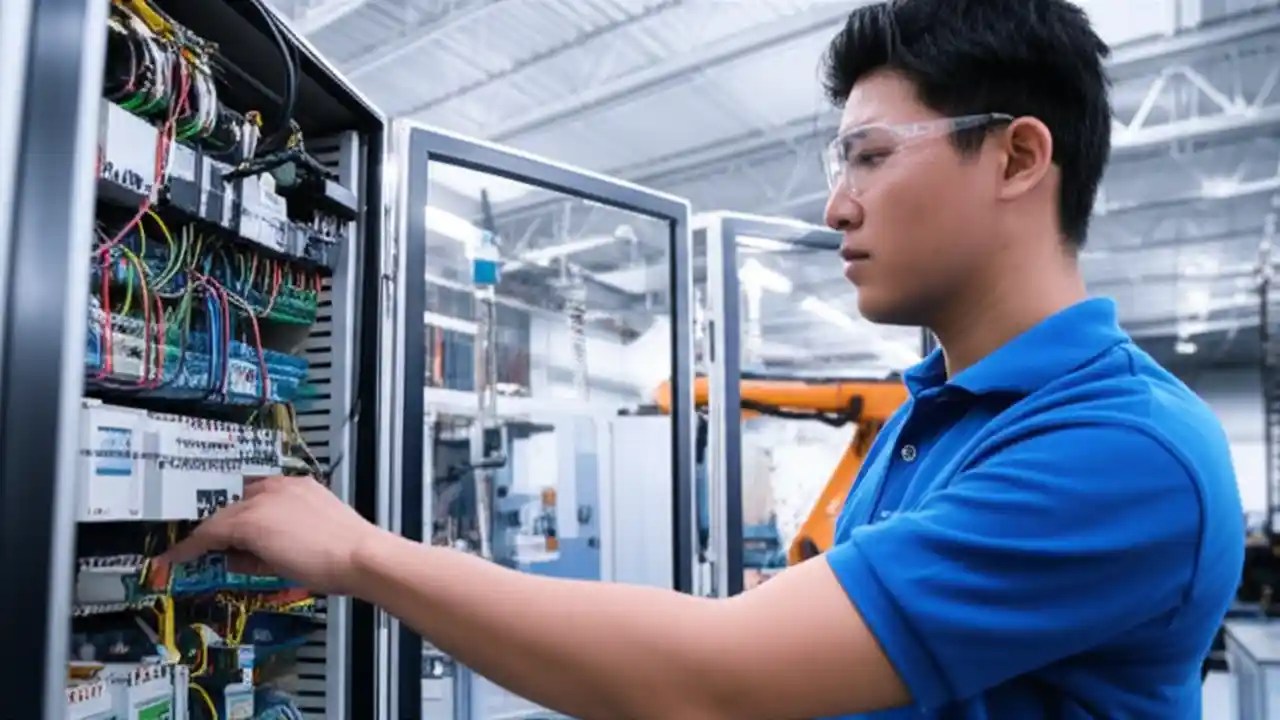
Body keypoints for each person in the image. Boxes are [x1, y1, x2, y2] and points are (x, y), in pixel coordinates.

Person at [165, 0, 1246, 717]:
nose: (835, 205)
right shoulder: (936, 413)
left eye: (869, 156)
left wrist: (356, 554)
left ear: (1015, 155)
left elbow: (714, 681)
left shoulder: (1117, 452)